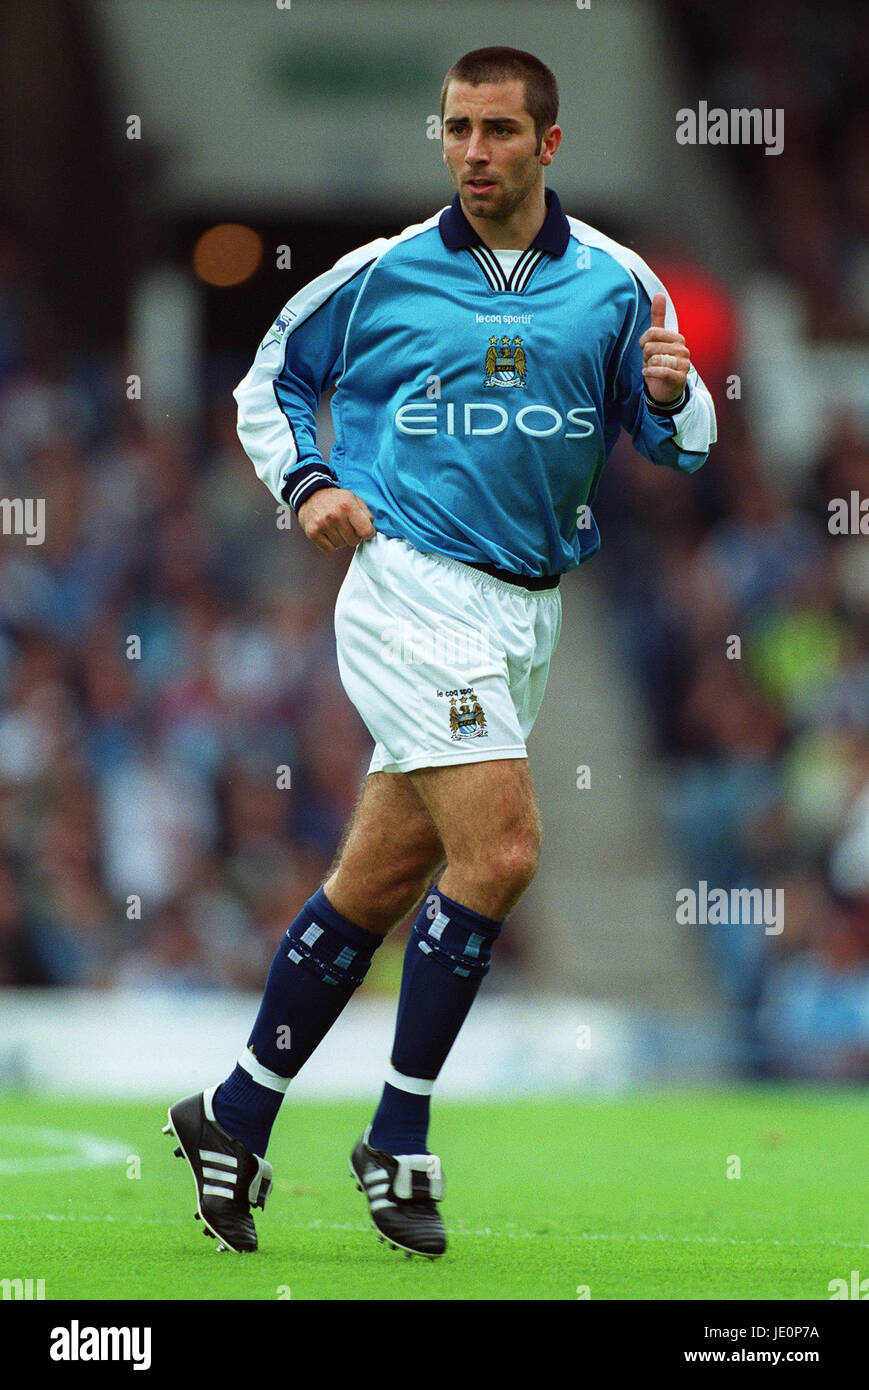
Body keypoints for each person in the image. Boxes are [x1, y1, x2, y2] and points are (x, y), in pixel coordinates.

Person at [163, 46, 717, 1258]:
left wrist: (676, 401)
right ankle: (397, 1133)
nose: (473, 151)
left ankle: (232, 1112)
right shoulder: (378, 276)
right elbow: (269, 380)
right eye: (457, 128)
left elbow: (679, 443)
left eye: (498, 132)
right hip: (410, 585)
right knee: (506, 846)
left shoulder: (618, 287)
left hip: (526, 610)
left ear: (547, 145)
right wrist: (306, 481)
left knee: (374, 884)